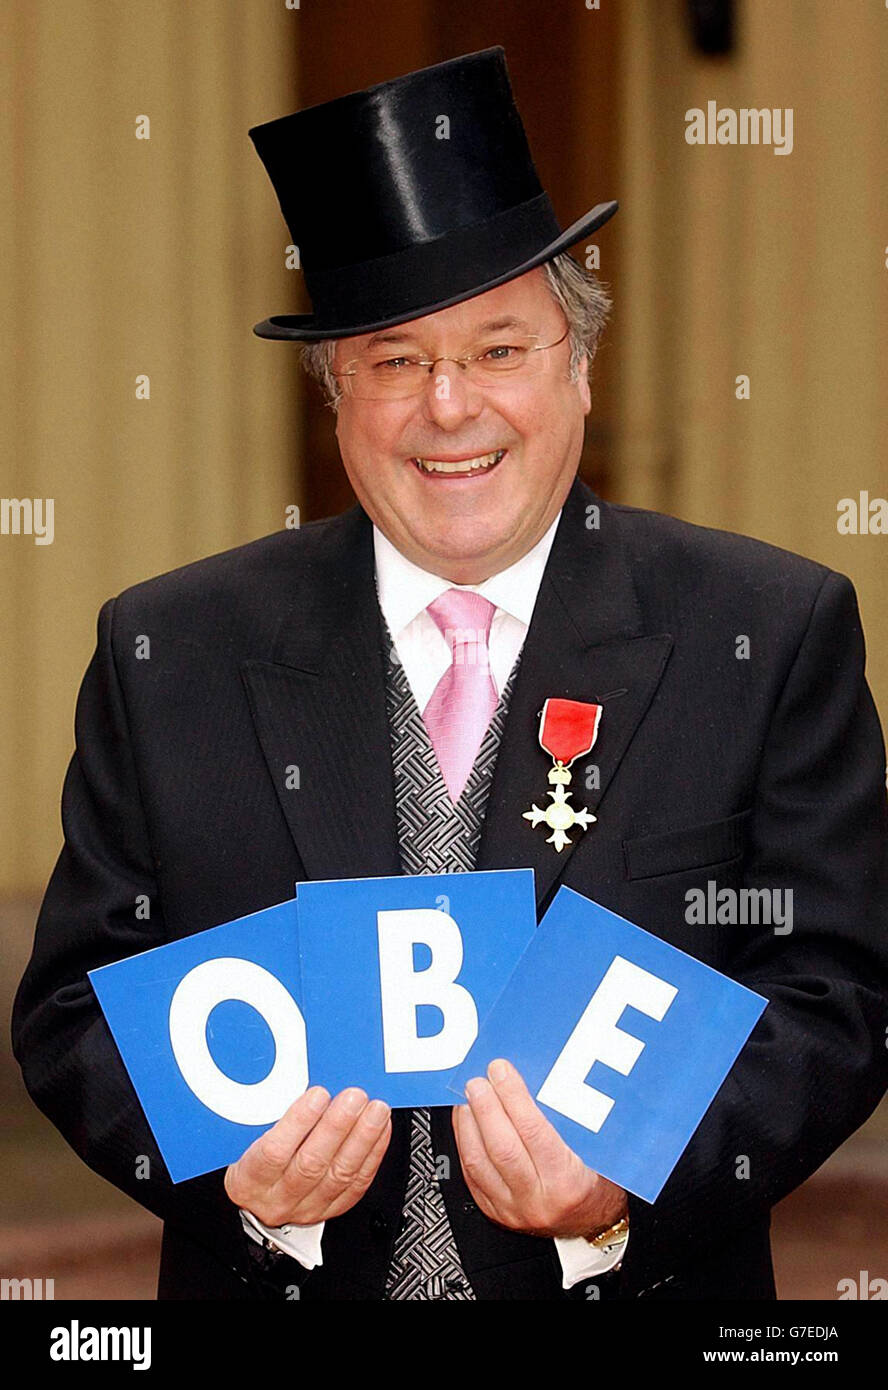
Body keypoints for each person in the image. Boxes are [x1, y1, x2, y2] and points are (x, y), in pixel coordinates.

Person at [12, 47, 888, 1302]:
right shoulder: (170, 651)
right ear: (336, 398)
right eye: (394, 359)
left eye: (497, 350)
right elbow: (73, 1013)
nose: (449, 407)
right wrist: (241, 1188)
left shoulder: (767, 630)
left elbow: (833, 993)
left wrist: (622, 1191)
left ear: (579, 368)